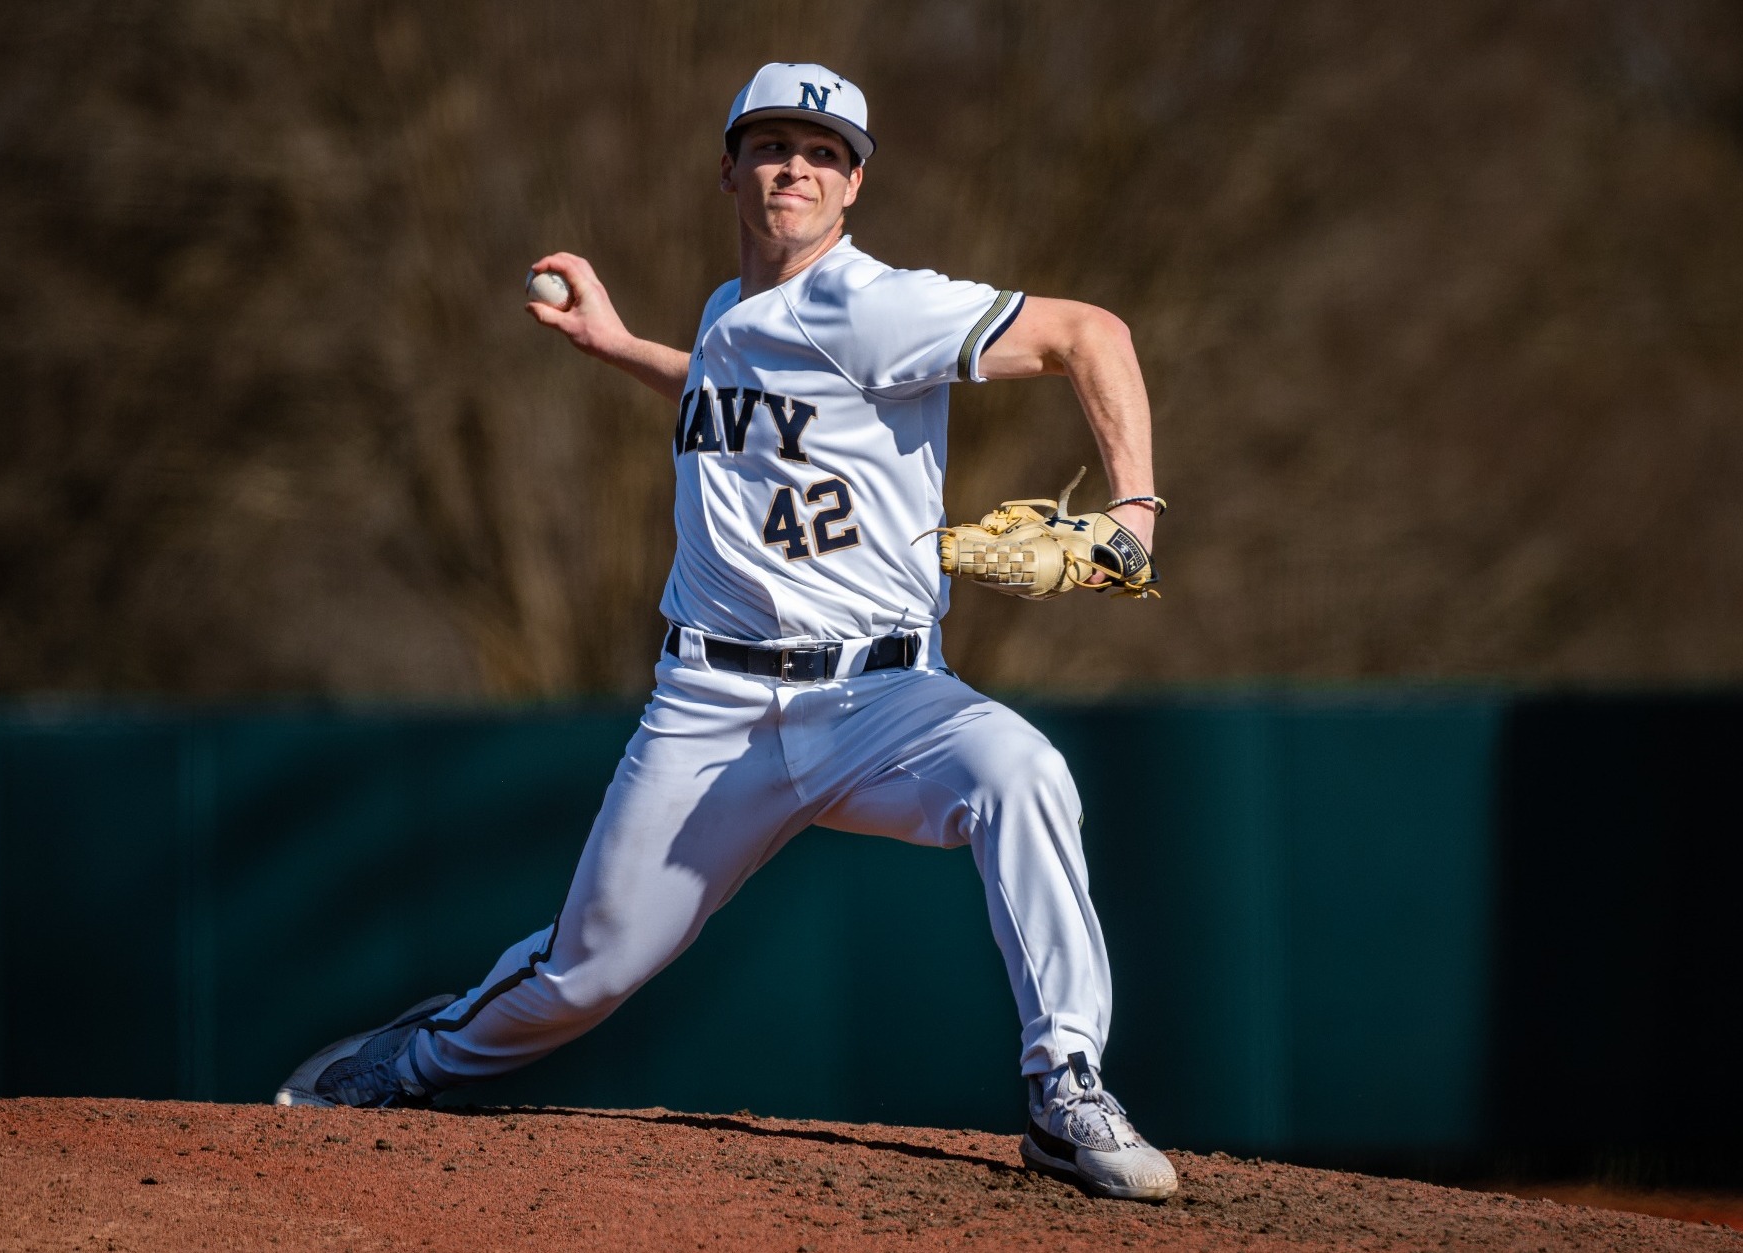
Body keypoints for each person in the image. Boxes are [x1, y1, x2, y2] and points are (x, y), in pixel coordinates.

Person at [276, 61, 1176, 1202]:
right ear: (729, 170)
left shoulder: (874, 300)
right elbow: (734, 393)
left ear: (853, 186)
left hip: (880, 701)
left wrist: (1133, 513)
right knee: (583, 974)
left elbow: (1091, 333)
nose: (793, 166)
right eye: (770, 145)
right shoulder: (729, 311)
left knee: (1023, 770)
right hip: (710, 712)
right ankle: (410, 1060)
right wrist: (620, 350)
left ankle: (1066, 1084)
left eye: (822, 152)